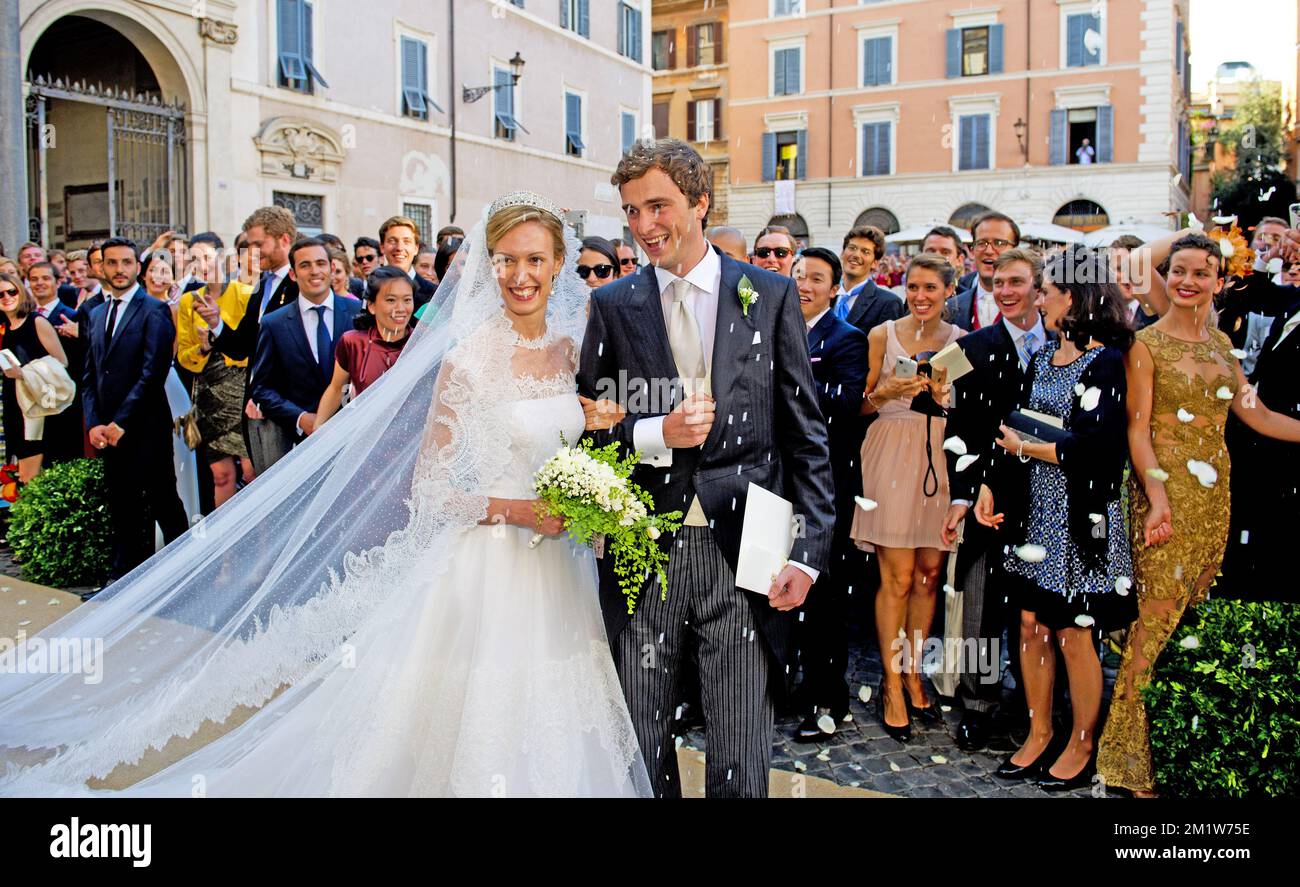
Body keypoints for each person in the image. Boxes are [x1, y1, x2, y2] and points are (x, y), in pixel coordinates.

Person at [0, 193, 652, 798]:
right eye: (506, 259)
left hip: (562, 575)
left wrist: (595, 481)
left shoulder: (573, 353)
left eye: (535, 259)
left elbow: (578, 441)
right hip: (486, 570)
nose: (520, 274)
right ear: (489, 266)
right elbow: (430, 487)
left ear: (559, 263)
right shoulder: (466, 359)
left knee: (559, 715)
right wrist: (517, 510)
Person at [578, 138, 834, 797]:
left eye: (658, 206)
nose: (643, 226)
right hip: (643, 543)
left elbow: (806, 437)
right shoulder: (613, 306)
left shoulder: (772, 296)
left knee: (742, 741)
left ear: (700, 201)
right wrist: (652, 432)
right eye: (632, 211)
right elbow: (589, 434)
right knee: (639, 736)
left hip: (754, 542)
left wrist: (804, 555)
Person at [1097, 233, 1300, 796]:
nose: (1187, 282)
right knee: (1154, 627)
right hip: (1163, 497)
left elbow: (1257, 416)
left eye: (1201, 273)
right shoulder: (1145, 344)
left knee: (1189, 628)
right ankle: (1128, 762)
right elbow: (1137, 432)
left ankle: (1170, 749)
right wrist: (1157, 498)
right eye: (1178, 270)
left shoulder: (1220, 347)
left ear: (1218, 281)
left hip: (1215, 500)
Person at [983, 249, 1135, 790]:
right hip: (1032, 513)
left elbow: (1101, 450)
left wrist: (1033, 448)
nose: (1038, 299)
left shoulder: (1109, 362)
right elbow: (1014, 423)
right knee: (1029, 624)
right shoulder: (1045, 357)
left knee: (1076, 631)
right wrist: (990, 485)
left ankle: (1083, 742)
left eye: (1046, 291)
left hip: (1078, 516)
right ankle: (1040, 730)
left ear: (1073, 296)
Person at [851, 252, 965, 742]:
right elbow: (855, 405)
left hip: (938, 458)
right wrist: (885, 391)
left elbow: (967, 412)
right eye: (913, 287)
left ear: (948, 293)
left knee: (929, 574)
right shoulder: (882, 334)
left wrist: (943, 400)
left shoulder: (961, 343)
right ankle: (892, 683)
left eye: (931, 289)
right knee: (895, 577)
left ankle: (915, 668)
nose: (920, 296)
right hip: (890, 453)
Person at [940, 248, 1047, 751]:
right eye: (998, 283)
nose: (1004, 291)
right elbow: (956, 426)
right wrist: (962, 495)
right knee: (980, 606)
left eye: (1016, 282)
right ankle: (978, 706)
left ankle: (1039, 705)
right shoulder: (972, 346)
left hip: (1049, 495)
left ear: (1039, 288)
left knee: (1040, 609)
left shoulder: (1067, 345)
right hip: (987, 493)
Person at [789, 247, 868, 741]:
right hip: (779, 481)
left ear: (835, 288)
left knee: (825, 596)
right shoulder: (775, 329)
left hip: (825, 485)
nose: (804, 285)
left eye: (816, 278)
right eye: (799, 275)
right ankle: (792, 684)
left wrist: (791, 390)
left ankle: (827, 698)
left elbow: (844, 404)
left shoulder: (846, 338)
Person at [81, 238, 189, 581]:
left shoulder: (153, 310)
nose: (119, 269)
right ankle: (125, 581)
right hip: (108, 433)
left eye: (126, 262)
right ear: (101, 267)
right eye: (111, 263)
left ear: (136, 267)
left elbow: (152, 372)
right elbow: (89, 374)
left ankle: (181, 576)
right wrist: (95, 423)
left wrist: (121, 422)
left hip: (145, 426)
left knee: (163, 502)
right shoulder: (96, 313)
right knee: (122, 506)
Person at [197, 206, 300, 476]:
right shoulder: (263, 286)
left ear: (284, 239)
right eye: (249, 244)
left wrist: (271, 400)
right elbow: (242, 345)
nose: (252, 251)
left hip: (289, 410)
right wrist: (216, 323)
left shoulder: (301, 283)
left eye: (258, 243)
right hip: (257, 408)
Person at [248, 239, 361, 470]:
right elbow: (261, 388)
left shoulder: (357, 313)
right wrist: (300, 418)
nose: (315, 271)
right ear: (293, 273)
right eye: (305, 265)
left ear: (331, 268)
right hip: (300, 444)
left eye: (321, 263)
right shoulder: (274, 323)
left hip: (354, 436)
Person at [176, 258, 255, 508]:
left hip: (241, 389)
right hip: (209, 394)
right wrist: (203, 347)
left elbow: (249, 343)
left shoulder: (245, 292)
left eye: (209, 258)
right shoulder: (188, 301)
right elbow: (183, 355)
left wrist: (219, 329)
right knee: (221, 476)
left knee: (252, 472)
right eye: (197, 260)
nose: (205, 265)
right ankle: (227, 544)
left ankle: (262, 539)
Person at [316, 267, 414, 427]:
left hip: (409, 440)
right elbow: (336, 389)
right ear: (372, 306)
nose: (401, 308)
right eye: (391, 300)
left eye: (407, 300)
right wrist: (316, 432)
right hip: (363, 435)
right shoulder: (352, 342)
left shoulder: (421, 343)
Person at [0, 272, 70, 483]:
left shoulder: (36, 322)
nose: (6, 297)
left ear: (21, 291)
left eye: (11, 291)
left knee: (33, 477)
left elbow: (62, 362)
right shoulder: (3, 328)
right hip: (12, 404)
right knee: (18, 475)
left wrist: (25, 373)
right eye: (0, 294)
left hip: (39, 405)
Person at [947, 212, 1021, 331]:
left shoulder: (1035, 306)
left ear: (1015, 250)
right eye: (982, 243)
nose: (989, 251)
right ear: (972, 251)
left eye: (999, 243)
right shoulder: (951, 309)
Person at [834, 225, 905, 334]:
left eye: (865, 251)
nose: (856, 255)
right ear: (843, 253)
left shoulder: (888, 303)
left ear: (875, 263)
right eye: (852, 248)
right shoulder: (827, 295)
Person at [378, 215, 437, 309]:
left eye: (406, 242)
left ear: (416, 248)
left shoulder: (434, 294)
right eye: (393, 241)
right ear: (382, 247)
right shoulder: (373, 286)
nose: (399, 248)